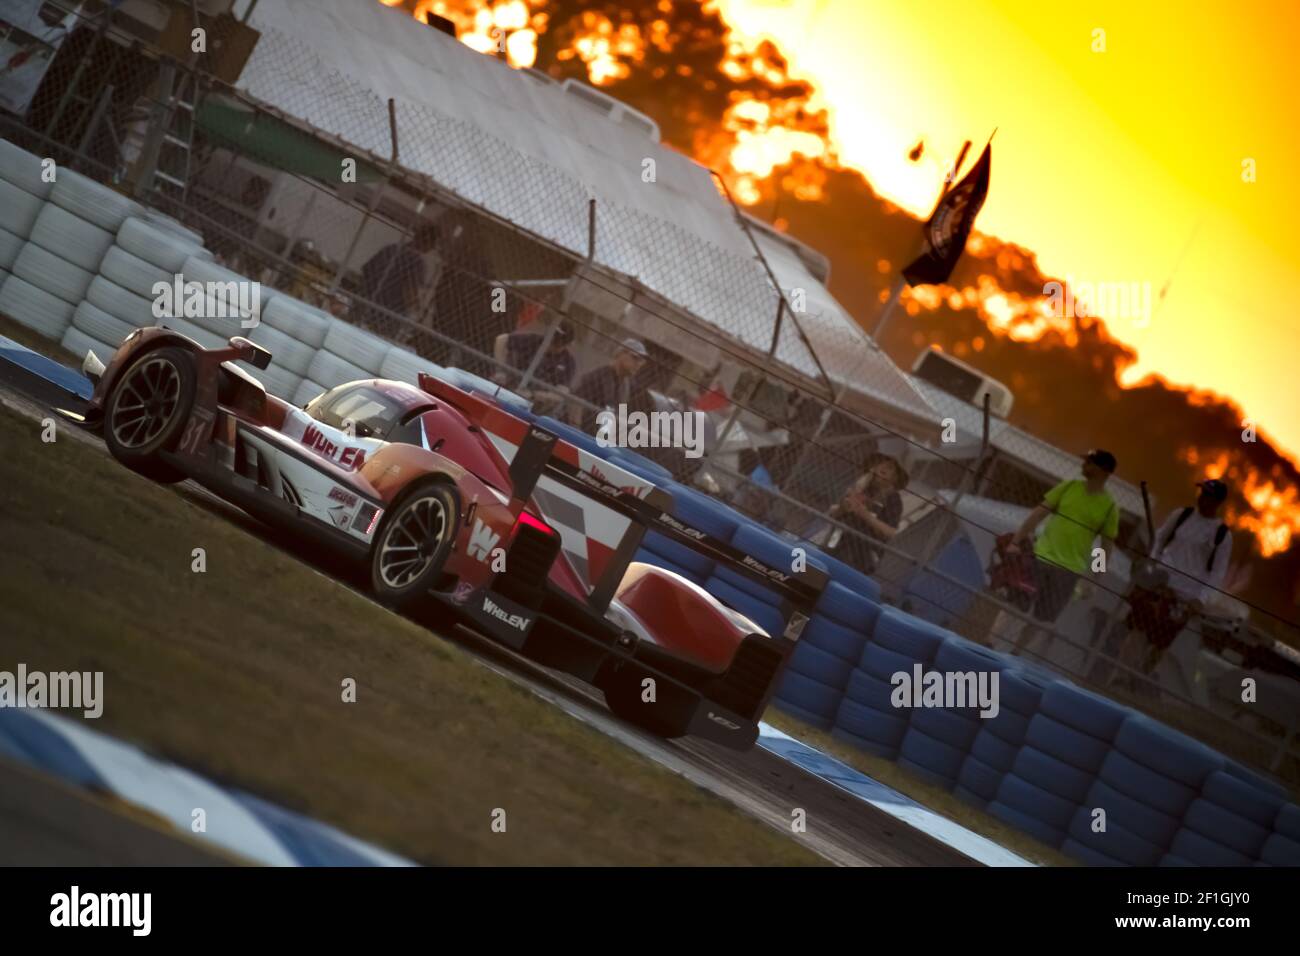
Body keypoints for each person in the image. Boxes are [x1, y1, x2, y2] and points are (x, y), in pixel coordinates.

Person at [1119, 478, 1233, 678]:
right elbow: (1159, 540)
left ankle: (1140, 678)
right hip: (1160, 586)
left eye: (1208, 495)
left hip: (1184, 599)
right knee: (1138, 630)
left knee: (1160, 643)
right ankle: (1120, 676)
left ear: (1217, 502)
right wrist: (1153, 567)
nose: (1203, 498)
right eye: (1202, 493)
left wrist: (1201, 599)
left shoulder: (1222, 535)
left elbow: (1218, 573)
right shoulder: (1182, 515)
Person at [1010, 449, 1120, 653]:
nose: (1084, 465)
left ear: (1104, 471)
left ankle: (1016, 651)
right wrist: (1017, 541)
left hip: (1068, 570)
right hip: (1041, 557)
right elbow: (1038, 514)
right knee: (1016, 603)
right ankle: (993, 642)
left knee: (1042, 618)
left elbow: (1105, 547)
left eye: (1090, 463)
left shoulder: (1109, 507)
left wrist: (1095, 579)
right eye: (1086, 460)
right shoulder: (1069, 486)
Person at [804, 454, 909, 576]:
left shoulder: (893, 499)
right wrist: (844, 507)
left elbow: (890, 532)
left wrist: (865, 515)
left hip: (862, 554)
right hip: (835, 542)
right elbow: (834, 513)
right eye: (882, 463)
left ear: (895, 478)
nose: (884, 467)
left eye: (890, 467)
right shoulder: (861, 487)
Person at [356, 222, 440, 333]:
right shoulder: (417, 262)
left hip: (365, 302)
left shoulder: (390, 249)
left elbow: (366, 271)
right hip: (389, 314)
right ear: (429, 242)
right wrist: (416, 308)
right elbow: (409, 291)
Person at [573, 338, 651, 433]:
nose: (638, 364)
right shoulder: (599, 376)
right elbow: (575, 401)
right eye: (635, 358)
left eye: (641, 361)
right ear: (621, 354)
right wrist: (575, 429)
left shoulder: (625, 385)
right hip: (581, 431)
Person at [501, 322, 577, 389]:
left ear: (567, 345)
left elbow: (562, 391)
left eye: (557, 345)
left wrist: (534, 395)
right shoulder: (533, 340)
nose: (550, 347)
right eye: (550, 342)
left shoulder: (568, 361)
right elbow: (502, 339)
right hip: (512, 382)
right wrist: (500, 370)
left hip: (536, 396)